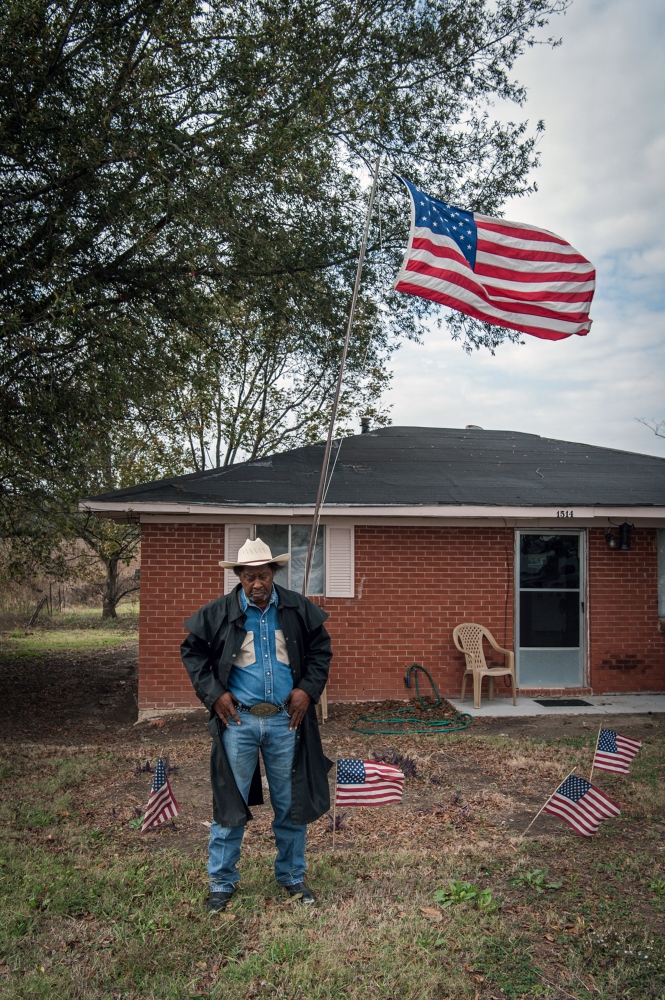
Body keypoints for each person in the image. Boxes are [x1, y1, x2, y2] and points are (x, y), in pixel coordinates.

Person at [180, 537, 333, 912]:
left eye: (263, 576)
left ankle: (293, 877)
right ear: (239, 577)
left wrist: (307, 690)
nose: (257, 585)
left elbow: (320, 651)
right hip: (238, 723)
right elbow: (192, 652)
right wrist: (214, 693)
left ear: (274, 573)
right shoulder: (218, 612)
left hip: (286, 721)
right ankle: (221, 881)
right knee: (229, 804)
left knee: (290, 803)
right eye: (249, 578)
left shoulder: (298, 609)